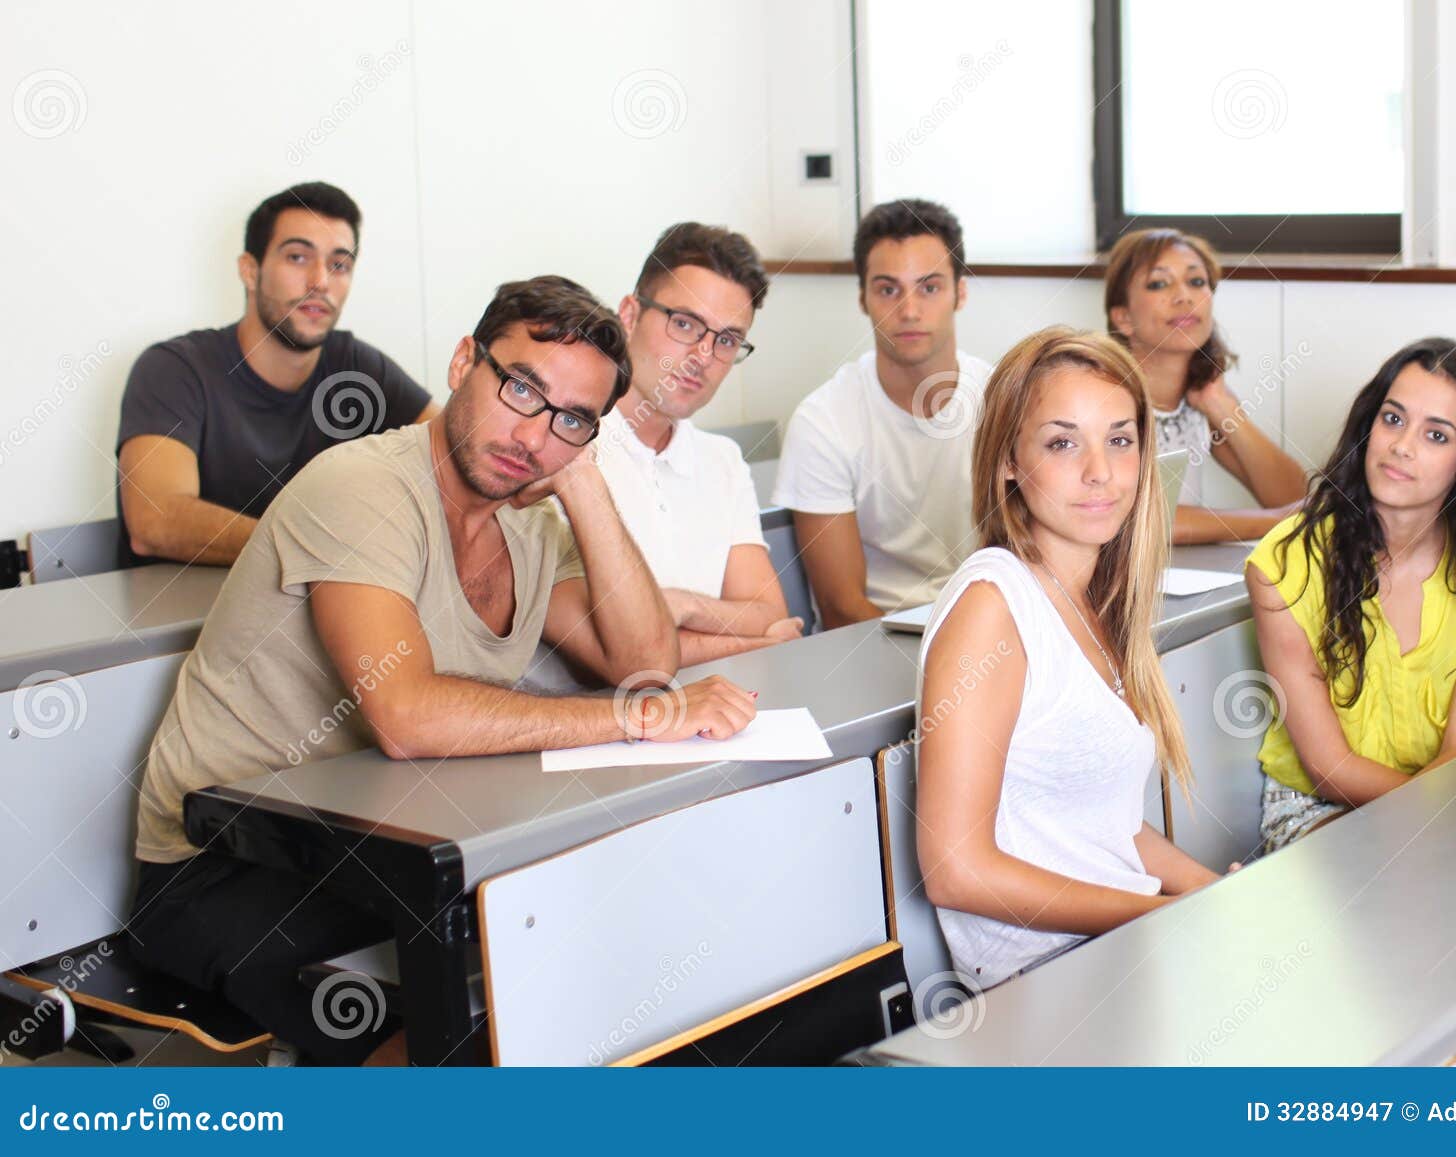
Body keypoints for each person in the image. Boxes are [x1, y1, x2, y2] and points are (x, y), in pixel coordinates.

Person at [128, 276, 757, 1064]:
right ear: (465, 362)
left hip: (393, 850)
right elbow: (407, 714)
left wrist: (583, 481)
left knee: (622, 965)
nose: (532, 435)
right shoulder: (363, 486)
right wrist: (638, 717)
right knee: (473, 1042)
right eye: (522, 388)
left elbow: (643, 664)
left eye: (570, 418)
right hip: (227, 869)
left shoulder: (532, 520)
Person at [916, 327, 1233, 990]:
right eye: (1062, 442)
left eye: (1120, 439)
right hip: (1043, 980)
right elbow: (955, 868)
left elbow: (1103, 823)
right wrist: (1158, 911)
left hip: (1112, 950)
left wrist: (1213, 893)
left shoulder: (1098, 599)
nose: (1101, 472)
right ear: (1007, 460)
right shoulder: (992, 608)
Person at [1246, 338, 1456, 853]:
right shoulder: (1285, 562)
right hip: (1321, 811)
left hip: (1449, 803)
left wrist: (1447, 831)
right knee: (1401, 887)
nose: (1402, 446)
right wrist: (1440, 834)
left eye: (1436, 434)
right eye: (1393, 419)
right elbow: (1329, 770)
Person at [116, 181, 438, 567]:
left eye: (340, 264)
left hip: (316, 611)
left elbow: (454, 453)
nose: (320, 282)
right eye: (298, 257)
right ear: (250, 271)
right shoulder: (175, 369)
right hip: (183, 620)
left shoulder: (356, 366)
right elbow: (155, 521)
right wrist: (324, 548)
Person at [773, 198, 993, 627]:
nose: (909, 310)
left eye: (929, 287)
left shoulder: (1003, 399)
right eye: (888, 289)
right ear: (863, 298)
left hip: (986, 633)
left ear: (960, 293)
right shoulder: (822, 420)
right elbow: (840, 609)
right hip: (871, 640)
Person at [593, 222, 801, 663]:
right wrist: (750, 639)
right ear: (628, 315)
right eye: (685, 324)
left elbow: (770, 613)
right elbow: (610, 647)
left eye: (726, 340)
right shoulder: (567, 446)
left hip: (720, 712)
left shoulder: (722, 460)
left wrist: (683, 605)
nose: (703, 357)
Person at [1104, 227, 1306, 543]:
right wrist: (1272, 522)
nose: (1184, 296)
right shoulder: (1106, 399)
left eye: (1196, 282)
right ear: (1123, 318)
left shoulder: (1201, 402)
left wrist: (1221, 405)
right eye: (1159, 283)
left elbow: (1293, 497)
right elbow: (1138, 518)